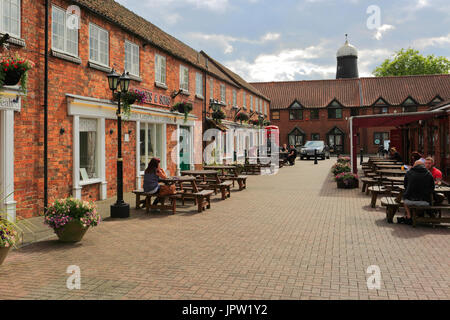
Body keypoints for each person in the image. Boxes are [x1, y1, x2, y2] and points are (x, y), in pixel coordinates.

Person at [398, 160, 435, 225]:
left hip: (410, 200)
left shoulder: (409, 173)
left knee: (404, 200)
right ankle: (422, 215)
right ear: (423, 165)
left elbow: (405, 186)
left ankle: (409, 216)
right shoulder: (428, 173)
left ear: (414, 165)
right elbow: (432, 187)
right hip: (425, 201)